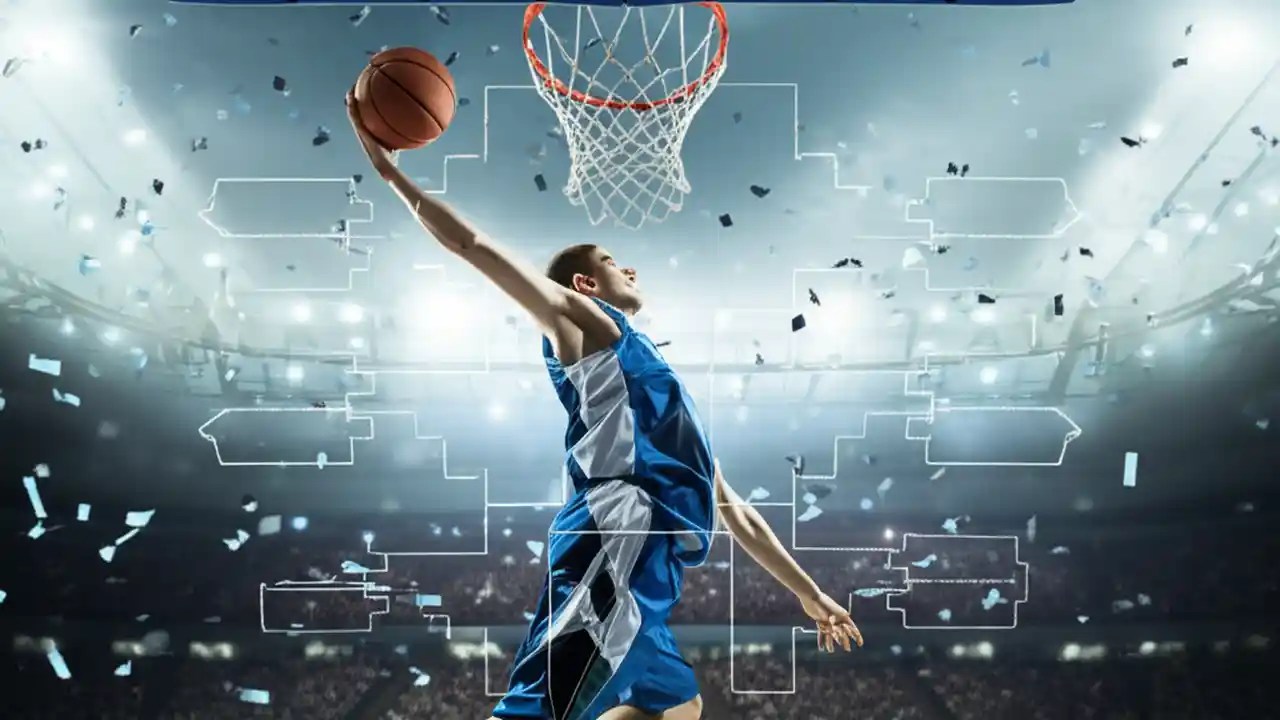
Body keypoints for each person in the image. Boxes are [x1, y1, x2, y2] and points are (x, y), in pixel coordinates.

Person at [346, 92, 861, 720]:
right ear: (584, 284)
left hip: (651, 575)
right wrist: (391, 172)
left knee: (679, 708)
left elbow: (736, 512)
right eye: (613, 261)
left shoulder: (664, 390)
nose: (630, 267)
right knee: (541, 710)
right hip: (614, 545)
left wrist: (810, 595)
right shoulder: (591, 327)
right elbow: (474, 245)